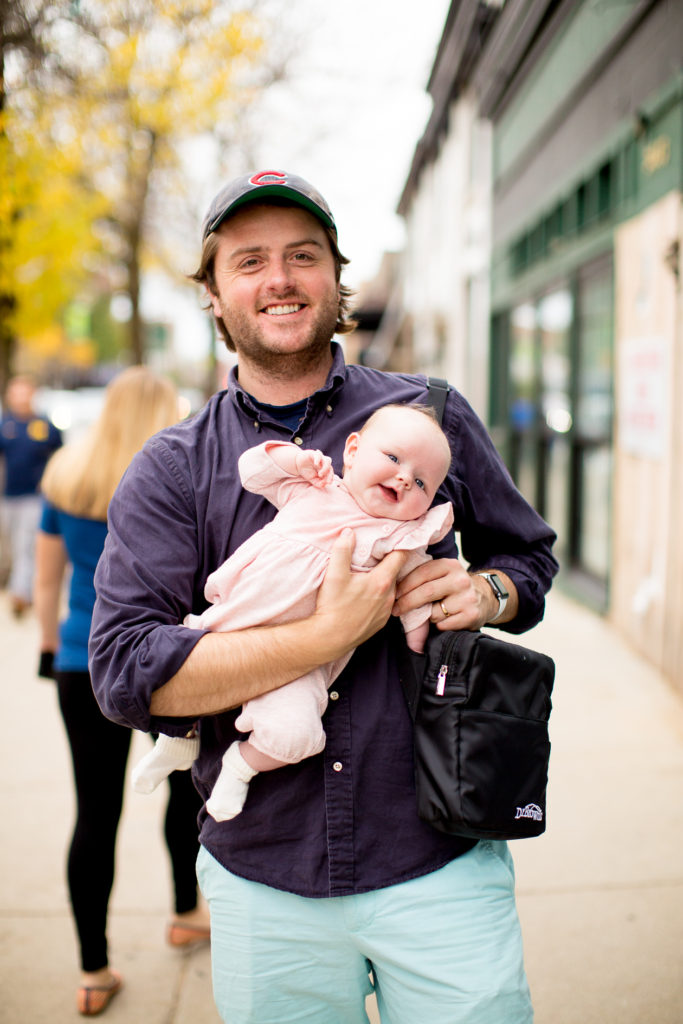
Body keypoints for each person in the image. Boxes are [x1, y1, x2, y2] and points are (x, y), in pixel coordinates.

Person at [90, 169, 559, 1024]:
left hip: (439, 857)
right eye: (249, 261)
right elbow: (125, 673)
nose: (279, 278)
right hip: (265, 878)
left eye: (302, 256)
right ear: (213, 292)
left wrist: (483, 592)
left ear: (334, 276)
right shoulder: (173, 468)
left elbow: (525, 558)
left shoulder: (431, 419)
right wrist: (321, 636)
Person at [131, 403, 454, 821]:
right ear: (352, 451)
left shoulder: (398, 541)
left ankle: (241, 765)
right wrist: (294, 460)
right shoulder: (315, 488)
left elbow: (415, 601)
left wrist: (419, 649)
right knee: (181, 663)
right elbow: (253, 471)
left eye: (423, 483)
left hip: (304, 667)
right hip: (233, 618)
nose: (405, 477)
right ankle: (176, 741)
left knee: (296, 731)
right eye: (393, 458)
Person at [34, 367, 210, 1019]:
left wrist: (51, 654)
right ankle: (186, 911)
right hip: (163, 661)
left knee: (95, 810)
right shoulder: (176, 480)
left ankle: (92, 970)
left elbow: (46, 578)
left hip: (84, 661)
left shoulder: (66, 477)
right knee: (184, 787)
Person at [0, 374, 62, 616]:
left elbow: (59, 456)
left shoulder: (45, 426)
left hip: (34, 498)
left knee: (26, 544)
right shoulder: (5, 425)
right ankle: (22, 585)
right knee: (13, 546)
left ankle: (20, 594)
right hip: (8, 497)